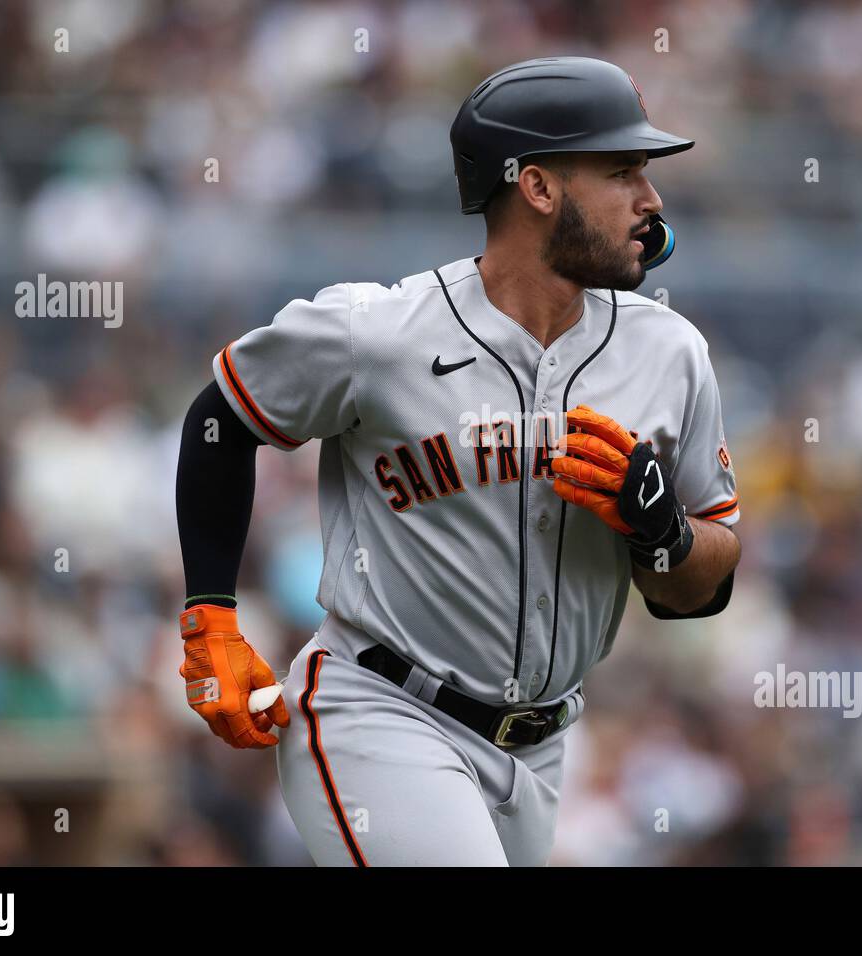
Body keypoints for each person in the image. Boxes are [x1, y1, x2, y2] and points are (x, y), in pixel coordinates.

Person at [174, 57, 741, 866]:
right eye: (622, 172)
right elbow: (220, 421)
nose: (650, 201)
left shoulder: (670, 353)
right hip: (380, 711)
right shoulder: (380, 333)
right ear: (538, 189)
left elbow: (702, 591)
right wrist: (211, 618)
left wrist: (665, 535)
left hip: (539, 752)